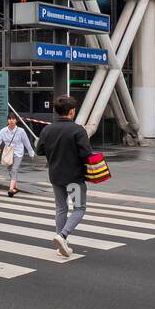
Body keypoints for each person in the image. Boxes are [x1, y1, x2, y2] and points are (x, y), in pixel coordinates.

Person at [35, 94, 94, 258]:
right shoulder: (77, 130)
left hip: (55, 176)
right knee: (79, 208)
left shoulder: (47, 129)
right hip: (74, 178)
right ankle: (62, 236)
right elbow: (86, 154)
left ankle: (61, 242)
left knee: (61, 208)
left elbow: (39, 151)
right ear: (72, 111)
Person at [0, 111, 35, 196]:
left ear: (16, 120)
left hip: (18, 152)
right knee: (10, 170)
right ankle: (15, 187)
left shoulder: (21, 131)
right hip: (8, 153)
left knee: (14, 169)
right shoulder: (3, 131)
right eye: (10, 119)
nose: (11, 120)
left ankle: (11, 189)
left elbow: (26, 142)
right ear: (7, 120)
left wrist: (31, 153)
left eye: (13, 119)